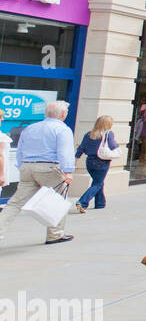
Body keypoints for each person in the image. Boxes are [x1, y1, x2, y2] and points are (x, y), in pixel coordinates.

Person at [0, 100, 76, 245]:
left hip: (27, 168)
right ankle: (55, 234)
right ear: (63, 114)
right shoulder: (62, 129)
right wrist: (68, 172)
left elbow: (20, 150)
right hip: (49, 168)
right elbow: (65, 152)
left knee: (15, 204)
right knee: (59, 200)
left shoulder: (30, 128)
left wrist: (22, 166)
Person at [73, 115, 120, 213]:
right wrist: (116, 143)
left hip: (89, 162)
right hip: (102, 162)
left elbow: (81, 148)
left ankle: (100, 203)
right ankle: (82, 202)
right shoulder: (108, 134)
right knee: (98, 183)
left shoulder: (88, 134)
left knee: (98, 182)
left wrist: (76, 159)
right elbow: (112, 146)